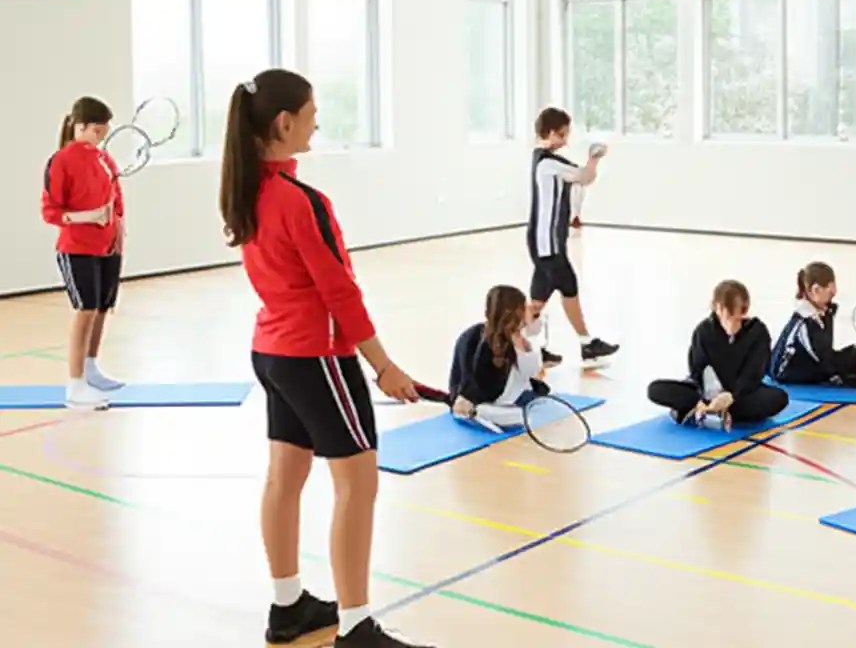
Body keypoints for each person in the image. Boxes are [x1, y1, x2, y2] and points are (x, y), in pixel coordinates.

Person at [218, 68, 432, 648]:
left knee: (284, 477)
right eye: (312, 114)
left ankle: (288, 607)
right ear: (284, 123)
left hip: (273, 353)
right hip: (317, 356)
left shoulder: (248, 190)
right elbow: (340, 292)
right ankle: (357, 628)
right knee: (357, 483)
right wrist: (383, 365)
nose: (317, 123)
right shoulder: (301, 200)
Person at [40, 97, 127, 409]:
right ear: (80, 126)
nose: (100, 138)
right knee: (86, 308)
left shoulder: (104, 159)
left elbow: (117, 201)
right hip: (76, 247)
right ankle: (75, 383)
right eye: (97, 131)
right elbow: (50, 212)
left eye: (104, 132)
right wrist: (87, 217)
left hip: (107, 247)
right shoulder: (61, 161)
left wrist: (119, 233)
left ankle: (91, 368)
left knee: (102, 307)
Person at [526, 106, 618, 370]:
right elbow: (585, 176)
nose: (566, 140)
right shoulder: (548, 163)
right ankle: (587, 345)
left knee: (539, 299)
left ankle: (525, 345)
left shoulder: (546, 161)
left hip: (545, 241)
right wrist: (594, 158)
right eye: (562, 134)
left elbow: (581, 180)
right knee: (568, 286)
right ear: (550, 133)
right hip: (548, 243)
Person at [648, 279, 788, 430]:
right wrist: (703, 400)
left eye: (736, 317)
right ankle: (705, 409)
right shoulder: (704, 331)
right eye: (727, 316)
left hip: (739, 395)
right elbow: (697, 370)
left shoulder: (757, 332)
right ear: (717, 309)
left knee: (778, 398)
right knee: (655, 389)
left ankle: (705, 413)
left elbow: (753, 373)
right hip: (706, 393)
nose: (732, 324)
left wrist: (731, 396)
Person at [769, 262, 856, 389]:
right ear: (816, 290)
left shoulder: (818, 314)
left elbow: (824, 351)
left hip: (810, 364)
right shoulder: (804, 322)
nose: (832, 299)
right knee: (850, 358)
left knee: (853, 355)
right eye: (830, 294)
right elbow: (821, 360)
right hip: (787, 373)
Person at [448, 285, 552, 429]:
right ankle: (476, 412)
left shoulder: (515, 337)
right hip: (487, 400)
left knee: (536, 405)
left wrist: (525, 341)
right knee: (522, 415)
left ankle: (477, 412)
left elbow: (531, 372)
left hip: (505, 397)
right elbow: (468, 378)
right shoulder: (475, 338)